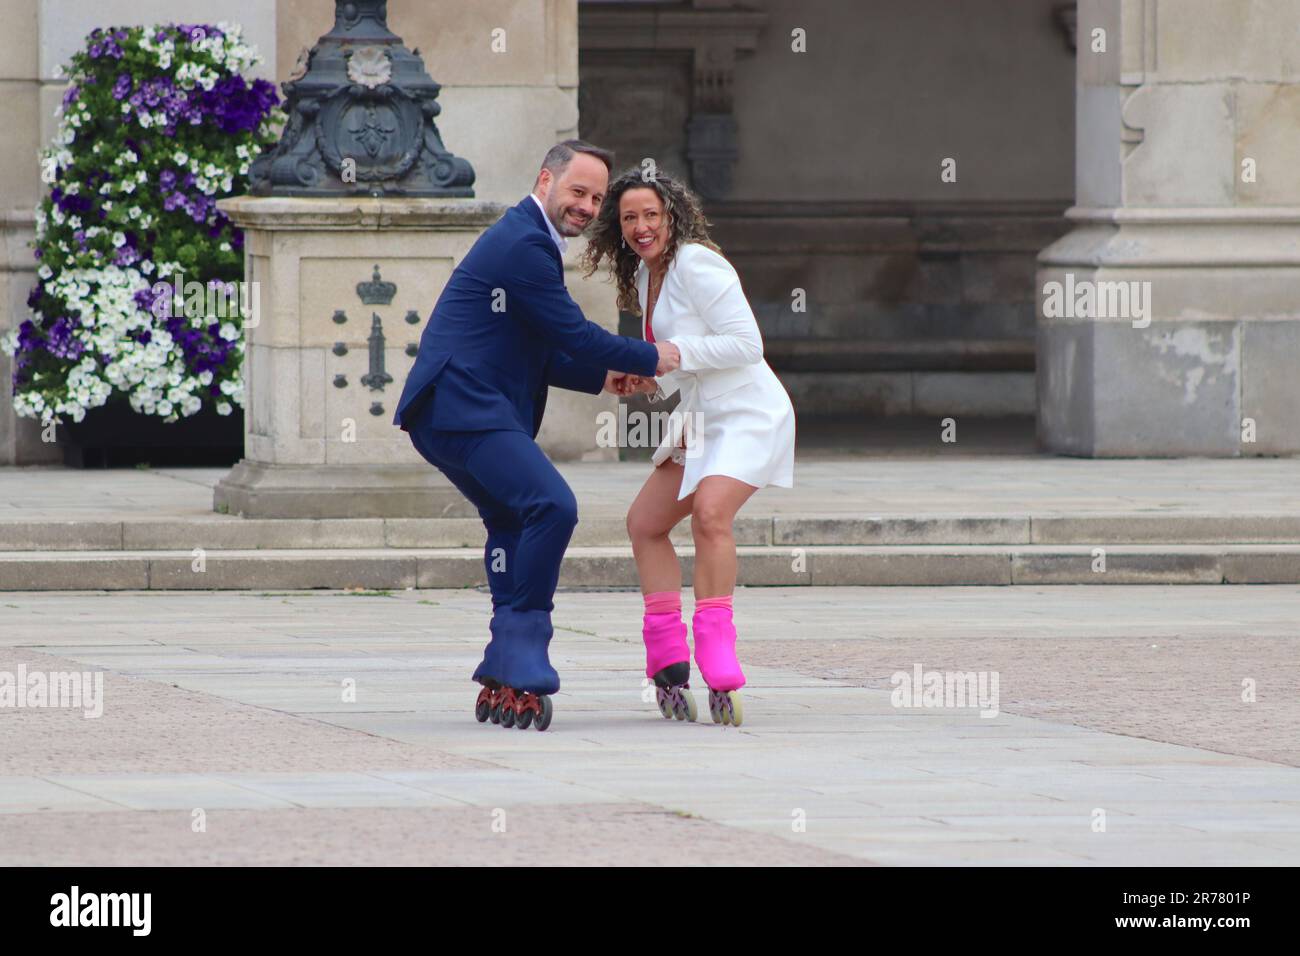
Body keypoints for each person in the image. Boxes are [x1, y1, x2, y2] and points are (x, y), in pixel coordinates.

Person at [393, 140, 680, 732]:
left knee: (513, 519)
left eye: (598, 199)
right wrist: (654, 355)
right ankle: (521, 649)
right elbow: (572, 332)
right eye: (578, 191)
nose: (587, 206)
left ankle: (506, 657)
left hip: (448, 410)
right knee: (551, 505)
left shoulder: (529, 240)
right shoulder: (524, 242)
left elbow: (538, 349)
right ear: (545, 179)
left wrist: (605, 377)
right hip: (464, 405)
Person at [581, 169, 796, 727]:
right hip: (701, 418)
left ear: (672, 215)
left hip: (747, 412)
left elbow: (747, 344)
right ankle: (668, 659)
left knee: (709, 513)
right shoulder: (649, 276)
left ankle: (718, 657)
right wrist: (646, 376)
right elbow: (678, 362)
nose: (641, 226)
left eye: (651, 214)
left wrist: (670, 353)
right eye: (629, 217)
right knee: (644, 523)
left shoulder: (698, 261)